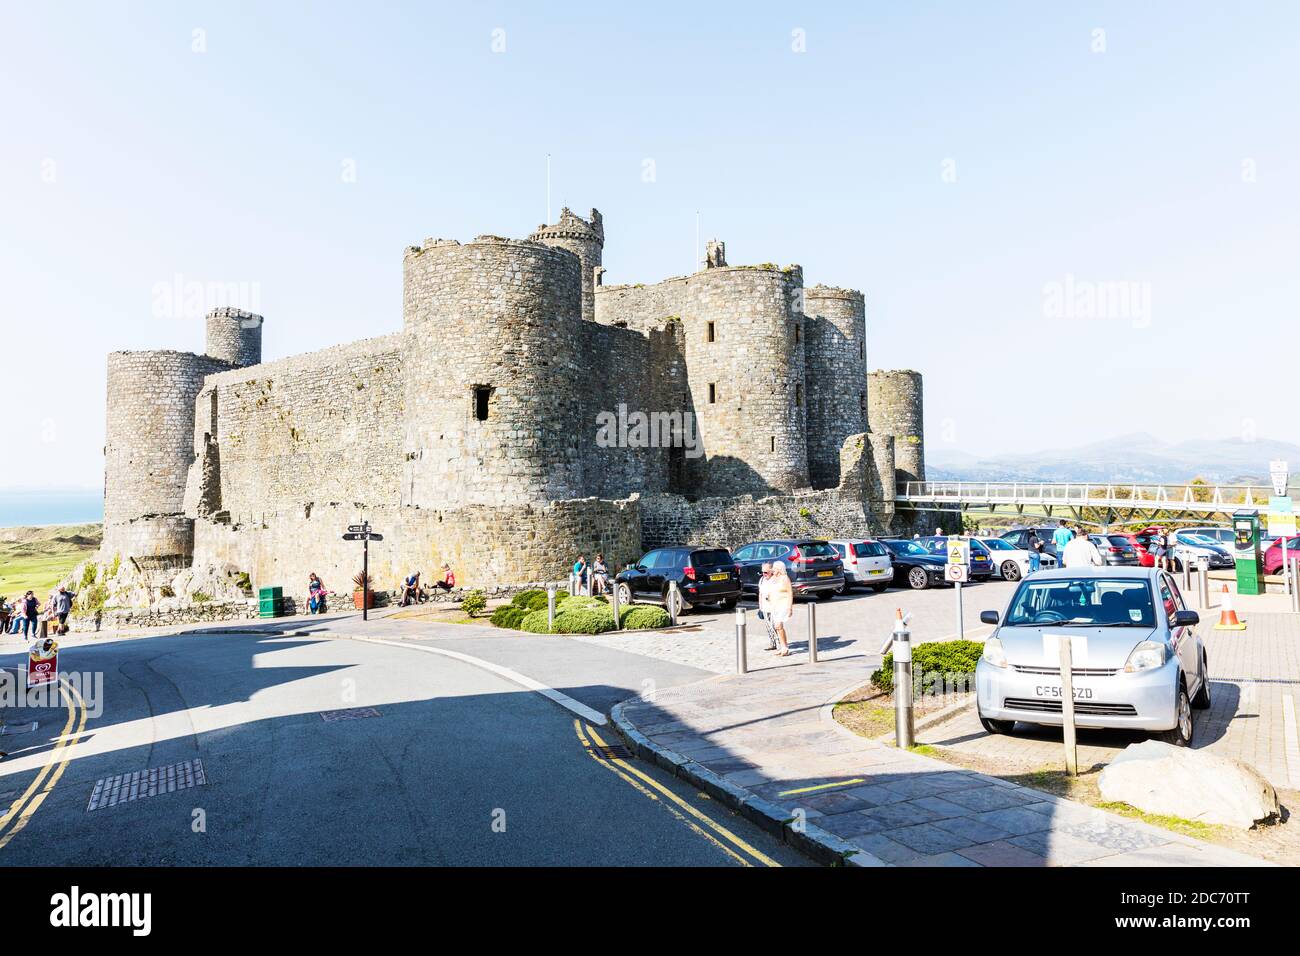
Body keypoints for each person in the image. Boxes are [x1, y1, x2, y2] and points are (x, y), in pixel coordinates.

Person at [768, 561, 795, 657]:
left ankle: (785, 648)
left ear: (779, 569)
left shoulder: (785, 578)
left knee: (779, 625)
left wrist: (790, 607)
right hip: (775, 605)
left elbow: (790, 593)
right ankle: (782, 647)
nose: (773, 570)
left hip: (783, 605)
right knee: (777, 627)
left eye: (774, 569)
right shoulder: (773, 578)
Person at [756, 562, 779, 650]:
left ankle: (779, 643)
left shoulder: (776, 580)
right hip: (765, 606)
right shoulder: (762, 580)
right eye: (762, 572)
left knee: (775, 625)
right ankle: (772, 643)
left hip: (774, 606)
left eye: (766, 572)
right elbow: (760, 594)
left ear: (772, 571)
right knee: (768, 625)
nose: (764, 574)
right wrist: (760, 606)